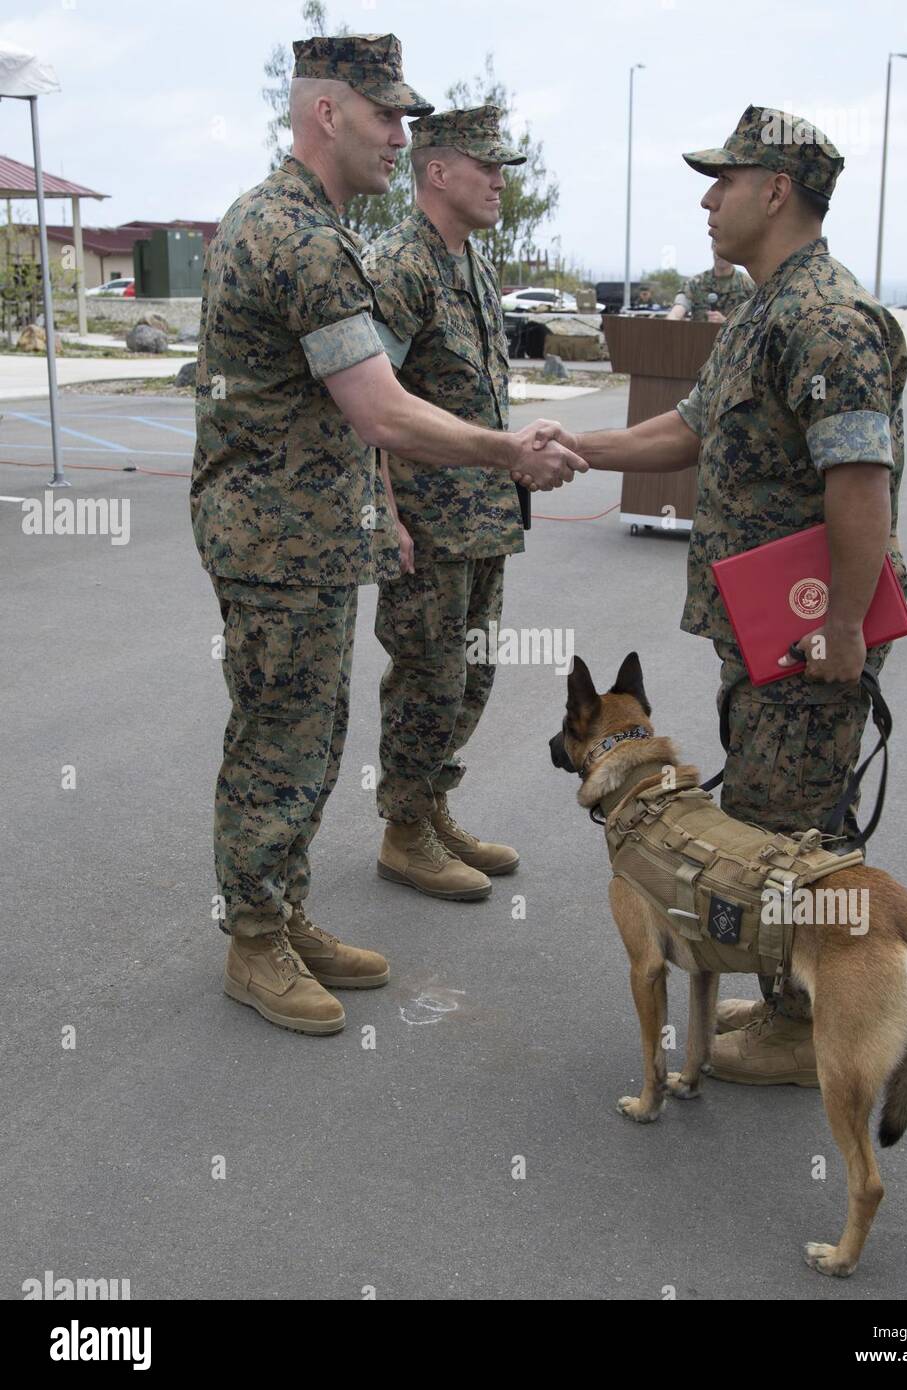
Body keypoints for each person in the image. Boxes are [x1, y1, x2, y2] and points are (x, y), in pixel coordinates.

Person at [191, 33, 584, 1036]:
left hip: (297, 535)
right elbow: (384, 410)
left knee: (311, 736)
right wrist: (505, 451)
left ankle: (281, 914)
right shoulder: (302, 238)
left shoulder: (287, 222)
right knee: (282, 741)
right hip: (278, 539)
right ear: (329, 112)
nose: (398, 136)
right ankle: (253, 937)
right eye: (386, 116)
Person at [521, 105, 907, 1086]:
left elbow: (858, 482)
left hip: (805, 631)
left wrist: (840, 630)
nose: (706, 198)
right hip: (764, 623)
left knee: (794, 827)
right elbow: (686, 430)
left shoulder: (823, 319)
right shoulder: (760, 311)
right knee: (769, 817)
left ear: (773, 191)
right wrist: (577, 447)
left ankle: (798, 1020)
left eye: (722, 180)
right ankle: (790, 996)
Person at [363, 105, 527, 901]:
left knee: (470, 675)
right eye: (487, 166)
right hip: (426, 525)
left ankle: (431, 807)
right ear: (437, 171)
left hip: (482, 517)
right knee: (427, 677)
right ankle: (403, 832)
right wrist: (386, 513)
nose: (501, 180)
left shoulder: (473, 264)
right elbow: (369, 405)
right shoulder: (400, 264)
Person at [667, 247, 754, 322]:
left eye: (726, 248)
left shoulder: (749, 285)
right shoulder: (695, 283)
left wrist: (725, 322)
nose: (721, 253)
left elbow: (757, 320)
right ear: (712, 248)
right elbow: (677, 310)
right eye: (717, 246)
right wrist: (672, 321)